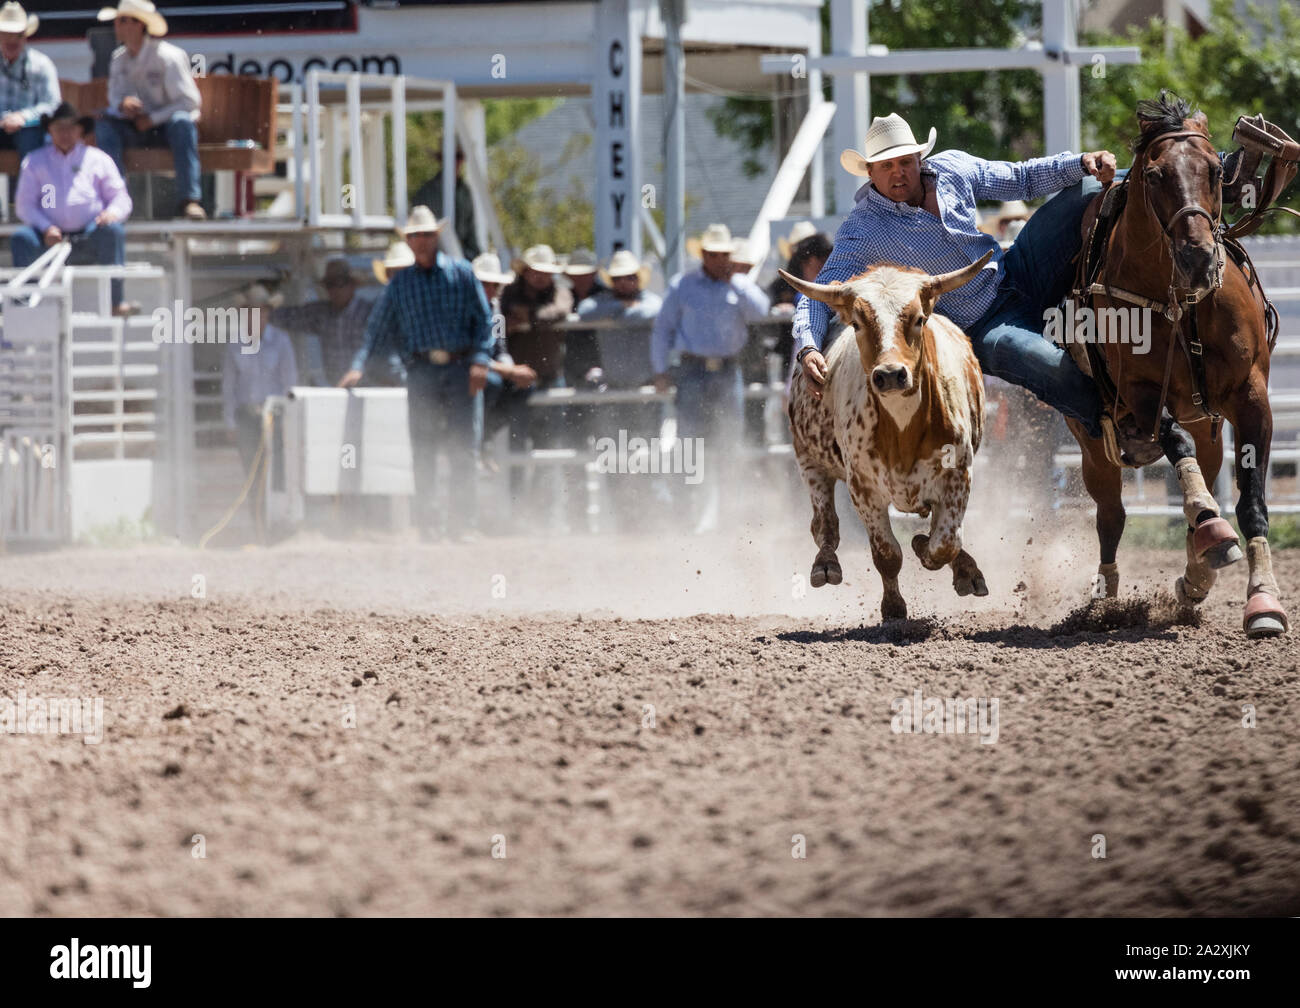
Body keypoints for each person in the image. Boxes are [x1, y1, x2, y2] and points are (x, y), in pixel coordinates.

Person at [792, 112, 1120, 449]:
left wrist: (1082, 161)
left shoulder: (952, 169)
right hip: (979, 326)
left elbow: (1020, 178)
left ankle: (1146, 184)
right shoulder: (862, 229)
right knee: (1049, 365)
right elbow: (823, 290)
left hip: (1016, 270)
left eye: (905, 161)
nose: (898, 173)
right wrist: (808, 344)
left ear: (919, 159)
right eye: (886, 166)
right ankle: (1115, 422)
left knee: (1092, 187)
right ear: (871, 173)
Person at [339, 206, 492, 542]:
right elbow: (376, 331)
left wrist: (481, 360)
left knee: (462, 448)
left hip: (459, 366)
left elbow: (484, 322)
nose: (420, 241)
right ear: (408, 241)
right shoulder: (400, 285)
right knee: (423, 449)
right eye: (414, 236)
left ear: (435, 237)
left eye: (425, 235)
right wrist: (358, 365)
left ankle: (461, 524)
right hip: (421, 370)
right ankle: (428, 526)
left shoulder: (462, 273)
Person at [652, 223, 769, 532]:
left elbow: (761, 311)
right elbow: (663, 328)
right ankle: (684, 512)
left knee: (729, 441)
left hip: (728, 370)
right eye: (716, 255)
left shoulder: (738, 285)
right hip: (692, 370)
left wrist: (738, 283)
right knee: (688, 442)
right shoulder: (683, 285)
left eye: (725, 255)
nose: (722, 260)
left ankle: (730, 515)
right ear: (704, 255)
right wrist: (661, 369)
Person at [12, 101, 136, 315]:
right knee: (22, 239)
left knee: (113, 232)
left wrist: (112, 213)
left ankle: (116, 301)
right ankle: (26, 306)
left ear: (81, 131)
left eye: (71, 127)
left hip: (89, 236)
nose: (65, 133)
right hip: (48, 240)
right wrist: (46, 227)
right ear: (50, 130)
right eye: (59, 128)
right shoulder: (35, 161)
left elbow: (121, 197)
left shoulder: (98, 159)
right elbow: (24, 205)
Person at [95, 0, 205, 221]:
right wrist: (122, 104)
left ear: (139, 25)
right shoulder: (118, 58)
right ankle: (115, 199)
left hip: (167, 130)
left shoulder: (168, 56)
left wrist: (153, 119)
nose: (117, 25)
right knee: (104, 126)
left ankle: (190, 201)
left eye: (123, 20)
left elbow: (189, 102)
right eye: (118, 20)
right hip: (135, 128)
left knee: (182, 122)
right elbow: (114, 96)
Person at [579, 249, 664, 530]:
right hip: (616, 391)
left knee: (646, 455)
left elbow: (657, 312)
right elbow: (584, 312)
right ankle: (623, 517)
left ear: (637, 278)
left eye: (629, 277)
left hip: (643, 391)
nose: (624, 283)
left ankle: (647, 516)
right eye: (619, 278)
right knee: (614, 457)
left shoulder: (649, 302)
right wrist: (621, 310)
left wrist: (624, 313)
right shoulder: (603, 303)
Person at [221, 283, 296, 536]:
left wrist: (288, 418)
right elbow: (229, 386)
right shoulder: (235, 344)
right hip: (247, 417)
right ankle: (259, 526)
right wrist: (230, 421)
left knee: (275, 471)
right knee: (251, 473)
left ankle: (276, 524)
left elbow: (289, 383)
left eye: (260, 311)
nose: (256, 316)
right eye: (251, 311)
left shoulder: (281, 341)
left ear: (267, 313)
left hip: (274, 415)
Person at [269, 258, 399, 388]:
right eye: (330, 284)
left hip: (368, 388)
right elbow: (286, 317)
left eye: (339, 283)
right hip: (336, 387)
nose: (334, 290)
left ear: (352, 285)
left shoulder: (370, 313)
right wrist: (257, 311)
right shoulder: (321, 313)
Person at [473, 251, 536, 475]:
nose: (490, 290)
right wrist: (508, 369)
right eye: (484, 284)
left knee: (524, 386)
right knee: (493, 383)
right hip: (468, 371)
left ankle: (484, 437)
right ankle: (480, 443)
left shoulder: (495, 310)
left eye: (494, 285)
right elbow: (469, 354)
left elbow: (499, 348)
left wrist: (510, 367)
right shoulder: (465, 310)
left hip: (489, 369)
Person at [0, 4, 60, 173]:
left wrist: (23, 117)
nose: (12, 40)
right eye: (7, 34)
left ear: (25, 36)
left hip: (29, 130)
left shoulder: (42, 64)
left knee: (32, 139)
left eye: (18, 35)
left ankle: (33, 197)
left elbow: (53, 105)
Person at [410, 146, 479, 260]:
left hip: (463, 257)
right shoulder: (427, 193)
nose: (456, 162)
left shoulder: (465, 192)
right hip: (433, 259)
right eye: (451, 157)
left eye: (459, 157)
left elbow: (471, 233)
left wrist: (475, 258)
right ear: (442, 160)